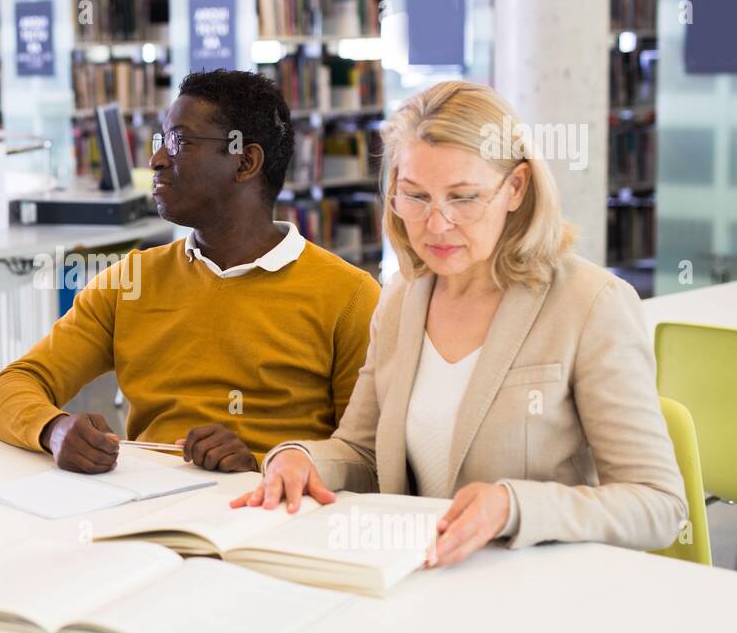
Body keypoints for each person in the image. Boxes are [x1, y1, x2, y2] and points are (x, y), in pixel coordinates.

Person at [235, 80, 687, 566]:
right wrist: (300, 457)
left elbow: (658, 505)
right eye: (415, 196)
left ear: (515, 188)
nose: (436, 224)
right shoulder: (402, 299)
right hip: (420, 578)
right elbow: (362, 453)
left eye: (464, 198)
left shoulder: (592, 304)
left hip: (542, 592)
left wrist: (515, 507)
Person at [0, 69, 381, 473]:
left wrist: (264, 463)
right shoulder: (130, 281)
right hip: (146, 507)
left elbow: (368, 460)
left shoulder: (349, 297)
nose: (156, 160)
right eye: (161, 141)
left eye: (179, 143)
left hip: (276, 514)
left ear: (245, 161)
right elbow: (11, 386)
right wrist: (54, 429)